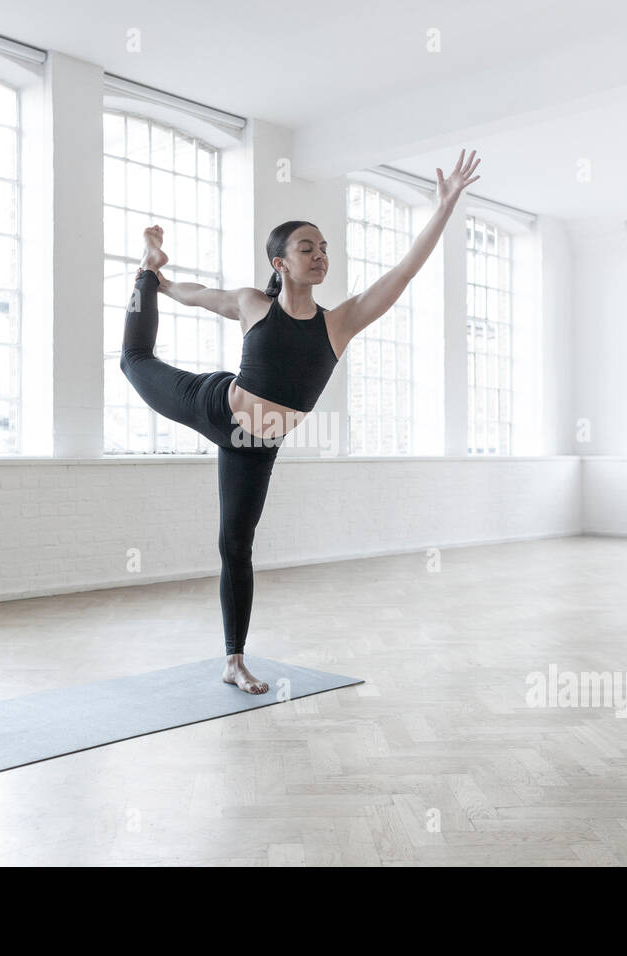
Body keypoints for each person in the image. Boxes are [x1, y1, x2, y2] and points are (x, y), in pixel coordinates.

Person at [119, 149, 482, 693]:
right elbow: (197, 296)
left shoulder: (339, 325)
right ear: (280, 263)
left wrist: (445, 206)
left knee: (236, 545)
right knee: (134, 362)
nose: (320, 256)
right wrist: (160, 284)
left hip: (253, 446)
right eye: (306, 248)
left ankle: (233, 660)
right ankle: (146, 267)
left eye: (324, 249)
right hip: (214, 404)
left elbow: (405, 270)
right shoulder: (253, 306)